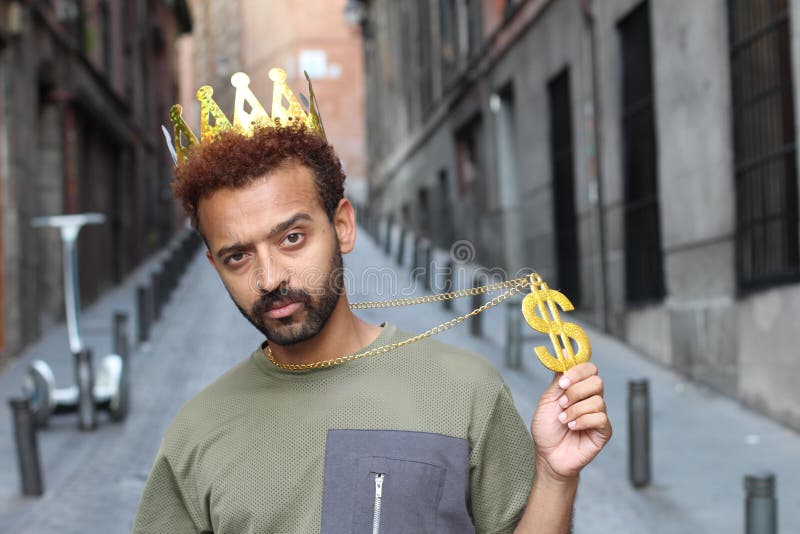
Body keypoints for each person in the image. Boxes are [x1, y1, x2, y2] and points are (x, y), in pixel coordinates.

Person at [133, 70, 611, 534]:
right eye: (238, 256)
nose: (269, 278)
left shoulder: (465, 391)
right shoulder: (196, 433)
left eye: (292, 238)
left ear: (342, 226)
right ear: (215, 265)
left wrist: (555, 475)